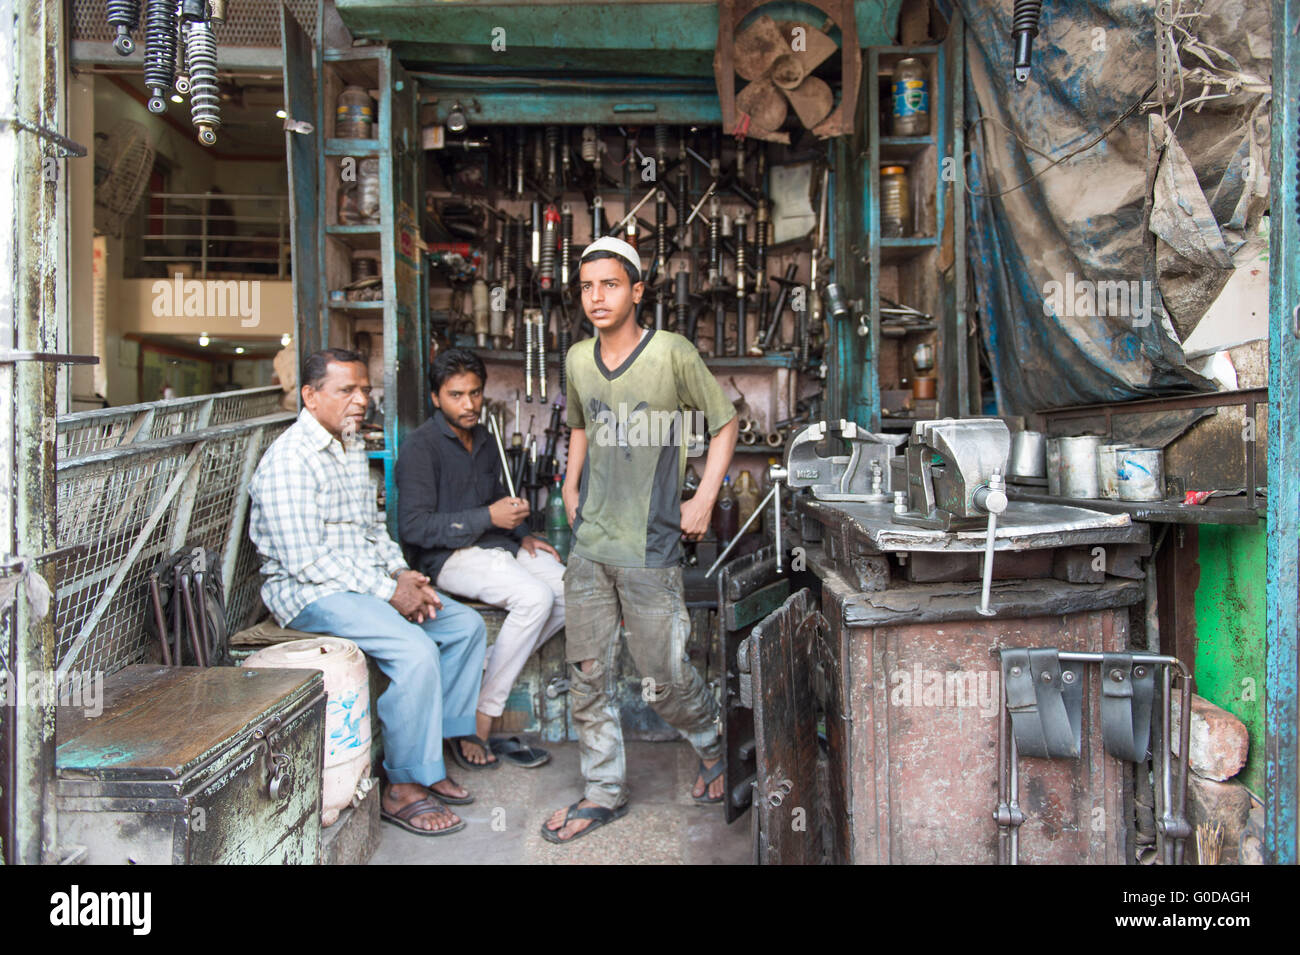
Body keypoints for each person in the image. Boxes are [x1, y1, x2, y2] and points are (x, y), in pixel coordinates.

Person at [542, 236, 739, 844]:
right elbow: (579, 423)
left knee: (664, 677)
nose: (596, 298)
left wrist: (703, 496)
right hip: (590, 546)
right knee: (587, 675)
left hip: (651, 547)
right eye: (586, 287)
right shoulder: (578, 358)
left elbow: (724, 420)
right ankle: (603, 791)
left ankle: (713, 745)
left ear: (636, 291)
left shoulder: (672, 353)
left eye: (609, 285)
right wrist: (570, 486)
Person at [247, 348, 486, 837]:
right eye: (346, 391)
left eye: (363, 390)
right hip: (308, 594)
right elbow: (306, 561)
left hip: (362, 583)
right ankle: (402, 785)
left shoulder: (350, 444)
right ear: (311, 397)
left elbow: (373, 529)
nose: (360, 400)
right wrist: (388, 591)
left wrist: (402, 575)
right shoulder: (291, 460)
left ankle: (435, 751)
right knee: (415, 649)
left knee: (464, 625)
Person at [396, 348, 563, 771]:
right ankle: (481, 717)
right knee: (535, 598)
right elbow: (414, 528)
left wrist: (524, 534)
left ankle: (480, 678)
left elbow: (497, 503)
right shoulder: (421, 447)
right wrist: (488, 517)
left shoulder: (486, 438)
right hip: (446, 557)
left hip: (498, 546)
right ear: (436, 398)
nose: (469, 404)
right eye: (456, 395)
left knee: (567, 590)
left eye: (475, 393)